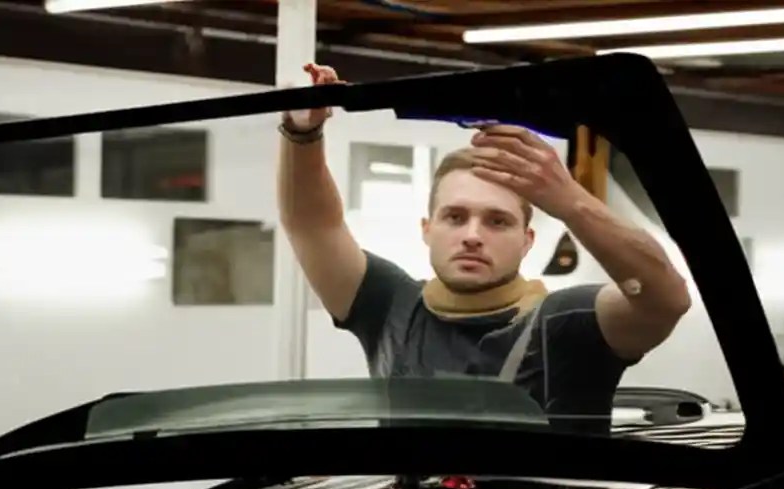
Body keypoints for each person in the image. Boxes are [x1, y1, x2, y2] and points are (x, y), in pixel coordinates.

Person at [278, 63, 693, 434]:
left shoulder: (567, 324)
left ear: (527, 241)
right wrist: (302, 134)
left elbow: (665, 299)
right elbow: (313, 226)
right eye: (455, 217)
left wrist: (572, 202)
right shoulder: (389, 307)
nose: (473, 235)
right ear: (427, 229)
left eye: (498, 221)